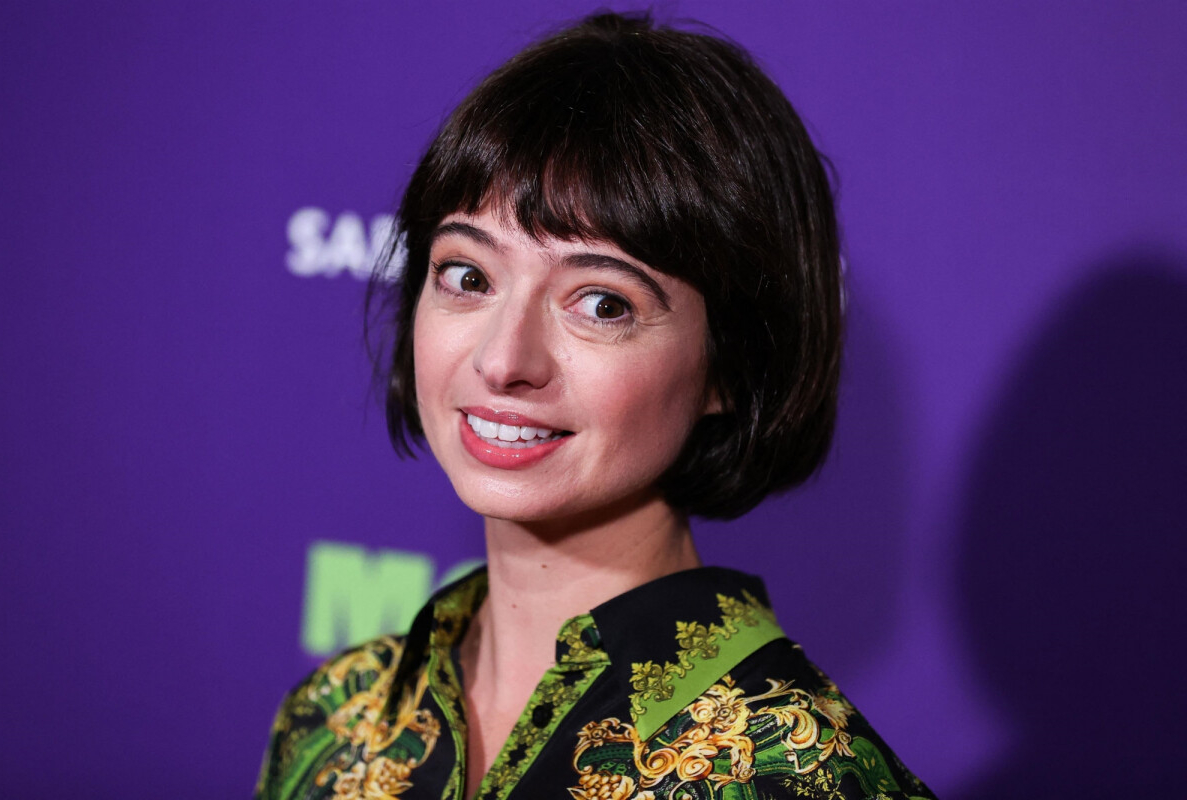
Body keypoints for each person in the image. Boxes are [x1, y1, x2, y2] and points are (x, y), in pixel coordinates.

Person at [257, 11, 935, 800]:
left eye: (602, 304)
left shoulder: (810, 779)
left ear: (731, 367)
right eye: (469, 277)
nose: (504, 360)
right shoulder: (335, 720)